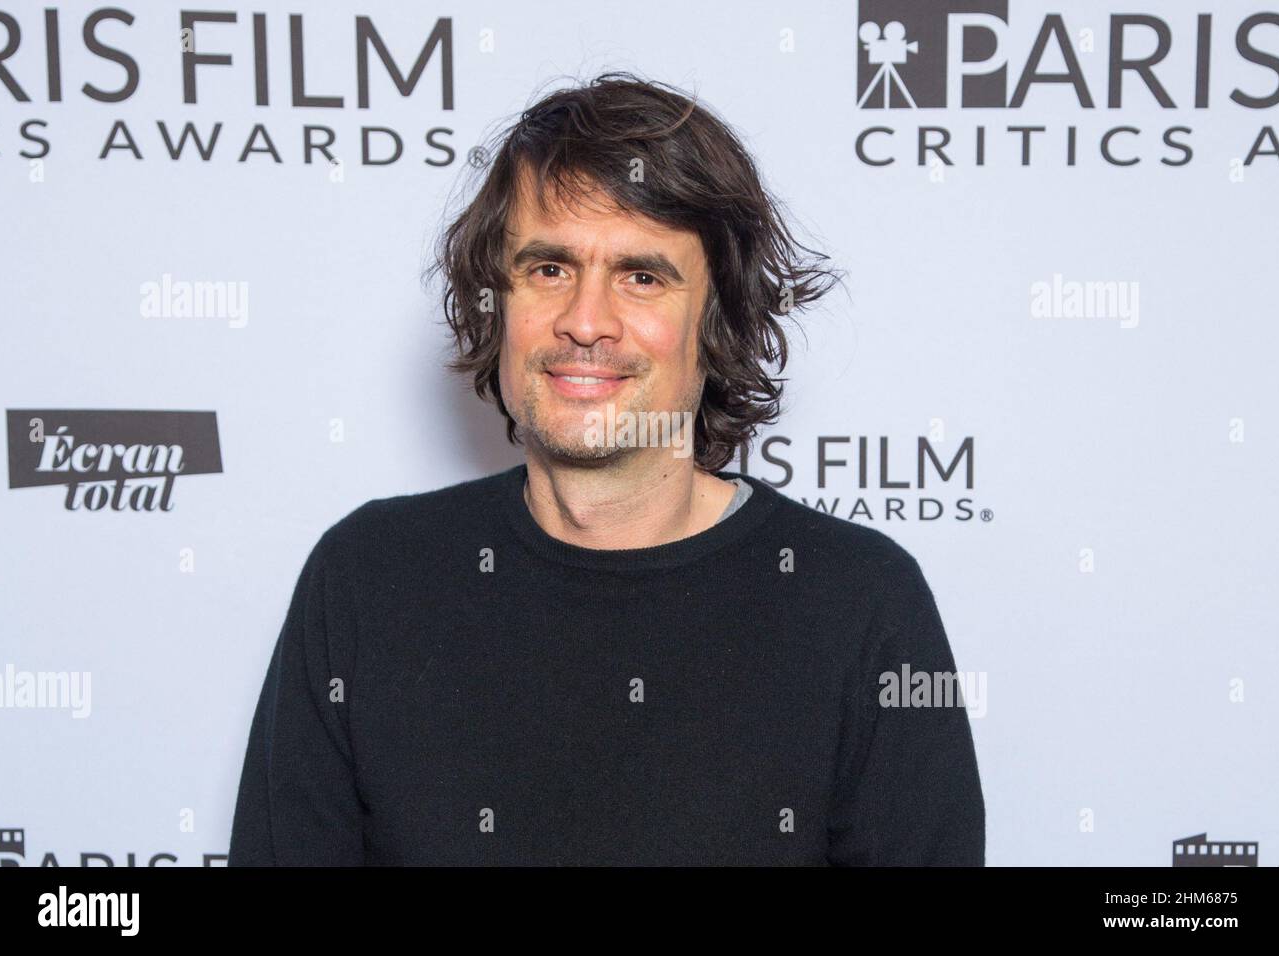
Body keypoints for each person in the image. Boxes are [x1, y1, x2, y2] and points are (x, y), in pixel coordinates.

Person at [228, 71, 984, 866]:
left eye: (642, 276)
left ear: (717, 320)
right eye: (548, 269)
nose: (586, 322)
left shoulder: (860, 601)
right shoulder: (366, 578)